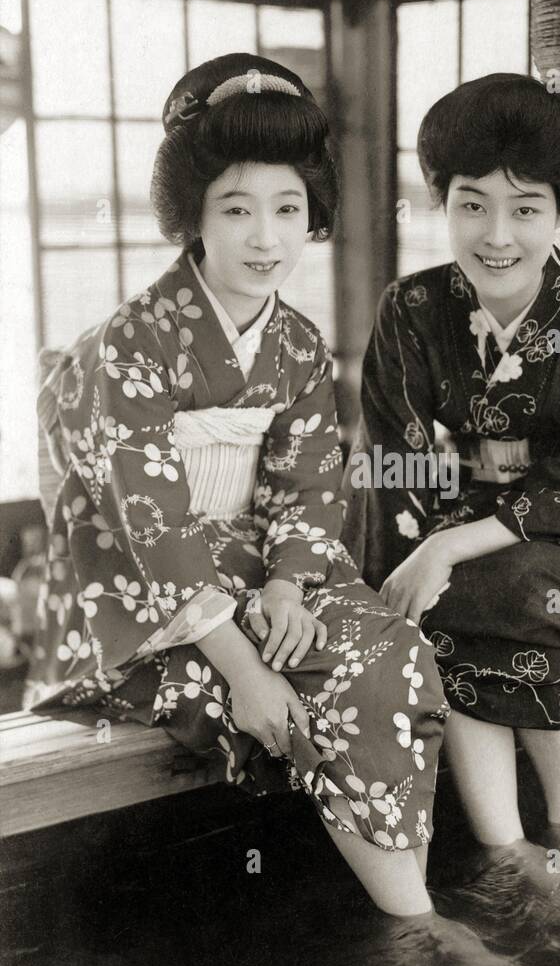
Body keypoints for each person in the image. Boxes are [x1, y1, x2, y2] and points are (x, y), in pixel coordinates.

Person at [24, 53, 451, 920]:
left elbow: (308, 486)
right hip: (139, 587)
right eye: (237, 209)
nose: (267, 238)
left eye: (288, 209)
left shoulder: (294, 346)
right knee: (284, 694)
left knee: (398, 656)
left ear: (312, 214)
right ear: (194, 218)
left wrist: (293, 582)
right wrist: (248, 668)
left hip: (258, 568)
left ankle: (409, 904)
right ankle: (412, 924)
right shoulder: (132, 344)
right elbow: (151, 522)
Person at [343, 72, 560, 886]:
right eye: (471, 203)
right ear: (441, 202)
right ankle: (509, 849)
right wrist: (413, 565)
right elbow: (398, 458)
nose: (497, 235)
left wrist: (451, 547)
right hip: (454, 528)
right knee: (435, 604)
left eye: (525, 208)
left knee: (530, 594)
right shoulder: (412, 311)